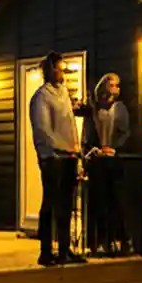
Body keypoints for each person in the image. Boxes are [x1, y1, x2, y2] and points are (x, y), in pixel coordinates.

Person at [29, 51, 88, 266]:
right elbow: (44, 131)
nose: (62, 72)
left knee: (66, 205)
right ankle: (45, 251)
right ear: (49, 70)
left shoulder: (63, 94)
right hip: (52, 158)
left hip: (70, 156)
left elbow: (70, 123)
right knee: (51, 203)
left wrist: (76, 149)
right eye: (59, 68)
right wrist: (64, 147)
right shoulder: (41, 97)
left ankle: (64, 249)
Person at [82, 72, 132, 256]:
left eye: (118, 85)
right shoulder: (95, 110)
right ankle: (99, 242)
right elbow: (88, 134)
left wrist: (116, 148)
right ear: (104, 86)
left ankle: (120, 240)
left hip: (113, 160)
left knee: (116, 202)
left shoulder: (120, 109)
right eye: (113, 85)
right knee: (99, 202)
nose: (116, 89)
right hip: (98, 161)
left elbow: (125, 133)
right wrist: (91, 150)